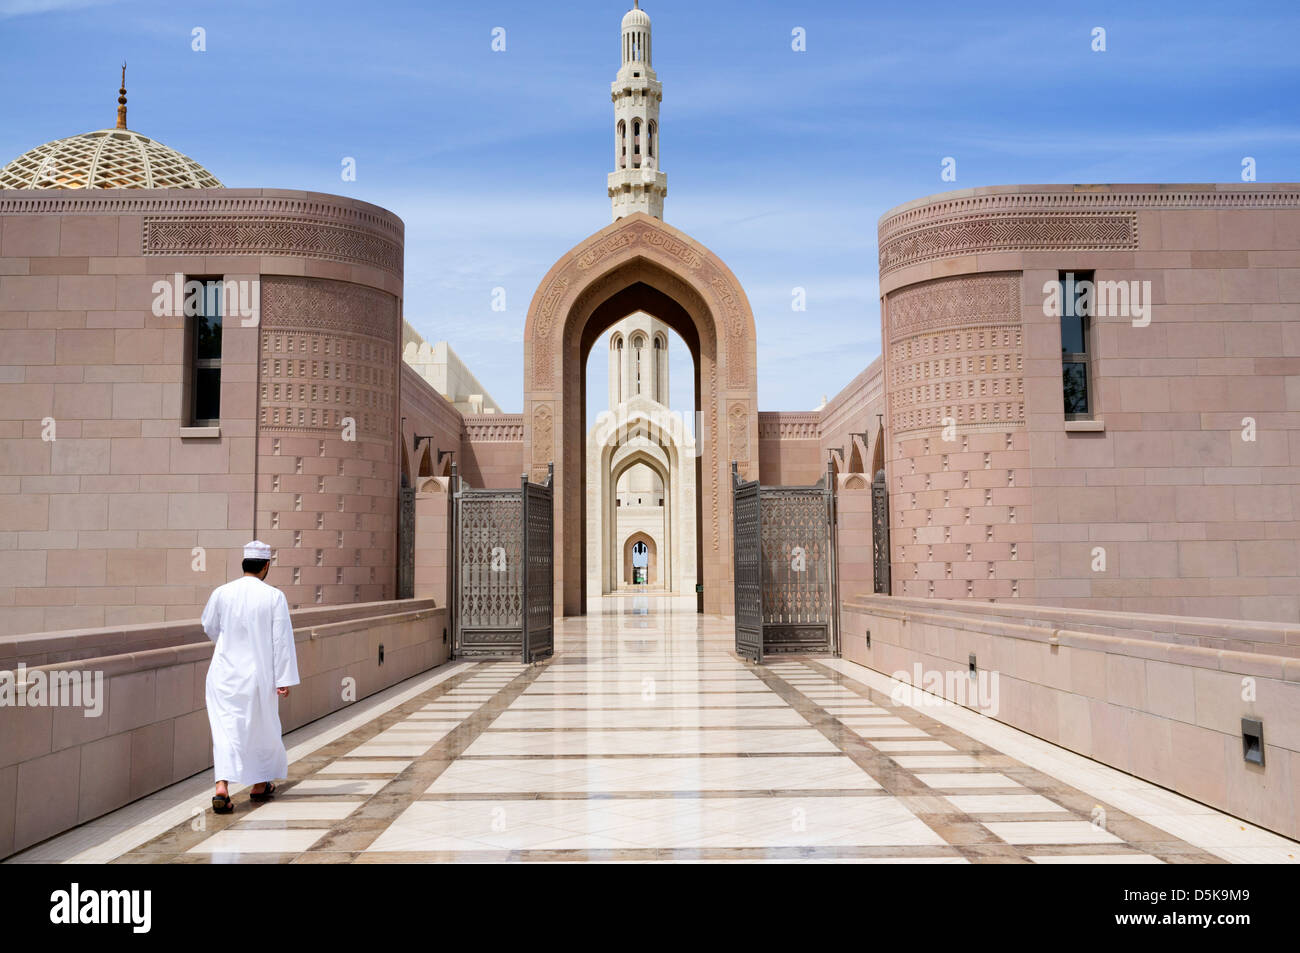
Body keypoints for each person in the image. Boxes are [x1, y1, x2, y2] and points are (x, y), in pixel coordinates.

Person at [201, 541, 300, 814]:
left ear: (244, 563)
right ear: (266, 566)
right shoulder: (273, 596)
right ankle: (259, 785)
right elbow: (281, 640)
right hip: (258, 677)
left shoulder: (222, 592)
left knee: (224, 731)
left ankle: (222, 787)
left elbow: (209, 626)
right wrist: (283, 678)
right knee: (260, 728)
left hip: (223, 674)